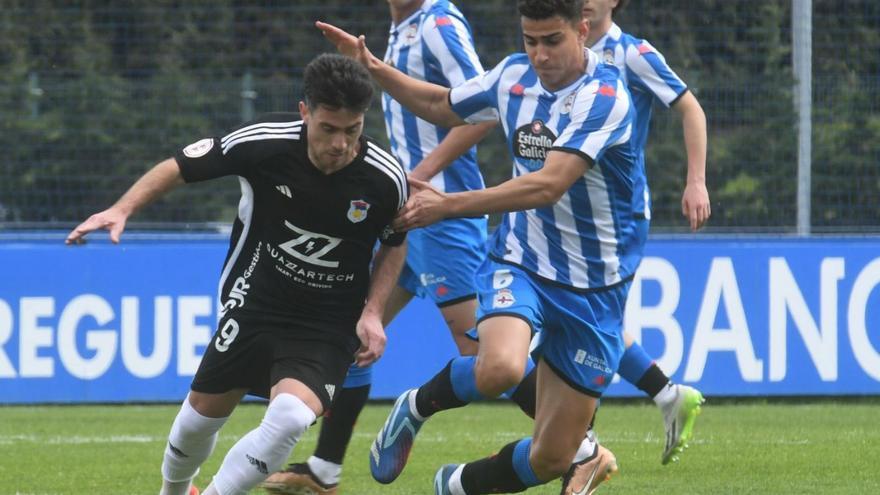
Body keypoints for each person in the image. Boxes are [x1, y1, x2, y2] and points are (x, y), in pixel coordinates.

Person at [319, 0, 642, 493]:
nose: (539, 56)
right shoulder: (512, 75)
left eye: (551, 41)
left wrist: (448, 204)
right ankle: (417, 405)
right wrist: (374, 68)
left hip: (596, 286)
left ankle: (456, 485)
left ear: (582, 30)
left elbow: (548, 184)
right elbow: (440, 104)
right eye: (530, 41)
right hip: (522, 259)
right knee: (500, 366)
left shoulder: (605, 96)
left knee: (552, 458)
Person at [65, 53, 409, 495]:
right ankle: (174, 491)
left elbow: (395, 242)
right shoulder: (265, 143)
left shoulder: (385, 178)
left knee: (288, 418)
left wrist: (375, 312)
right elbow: (181, 166)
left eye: (352, 130)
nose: (340, 144)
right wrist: (122, 208)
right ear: (305, 112)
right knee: (196, 421)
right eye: (328, 129)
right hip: (256, 301)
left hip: (328, 323)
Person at [260, 2, 501, 494]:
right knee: (354, 334)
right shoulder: (403, 29)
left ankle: (580, 446)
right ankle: (324, 470)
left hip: (438, 216)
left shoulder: (437, 23)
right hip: (409, 218)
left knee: (487, 354)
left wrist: (424, 177)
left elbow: (487, 109)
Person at [579, 0, 710, 465]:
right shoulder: (558, 51)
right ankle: (667, 395)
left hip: (617, 218)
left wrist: (695, 181)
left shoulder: (632, 54)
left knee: (583, 325)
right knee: (586, 322)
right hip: (569, 215)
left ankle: (581, 452)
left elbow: (691, 108)